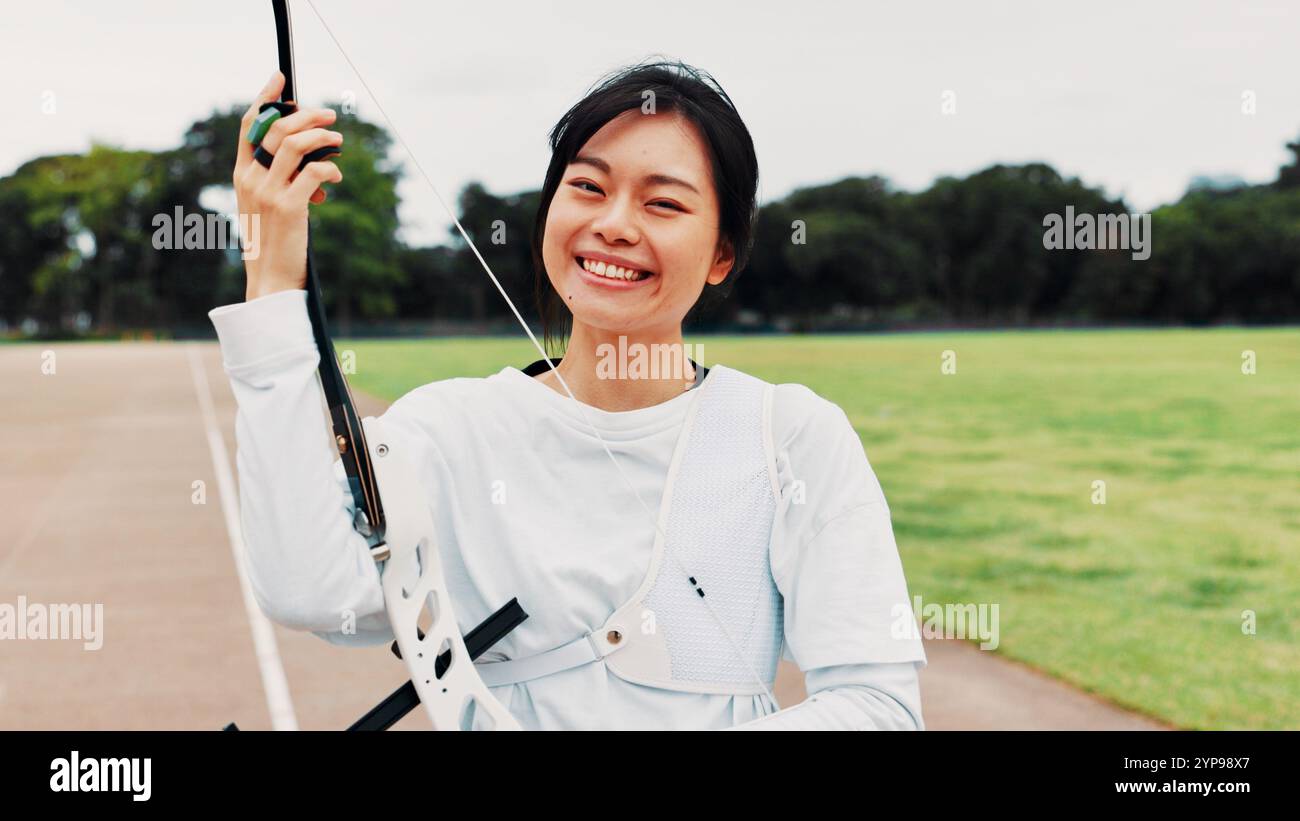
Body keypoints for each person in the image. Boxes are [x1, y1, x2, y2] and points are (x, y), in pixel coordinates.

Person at [211, 59, 926, 730]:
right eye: (587, 186)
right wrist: (272, 271)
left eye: (664, 202)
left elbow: (878, 706)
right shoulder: (448, 427)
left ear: (722, 255)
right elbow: (313, 593)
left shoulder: (790, 435)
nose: (614, 224)